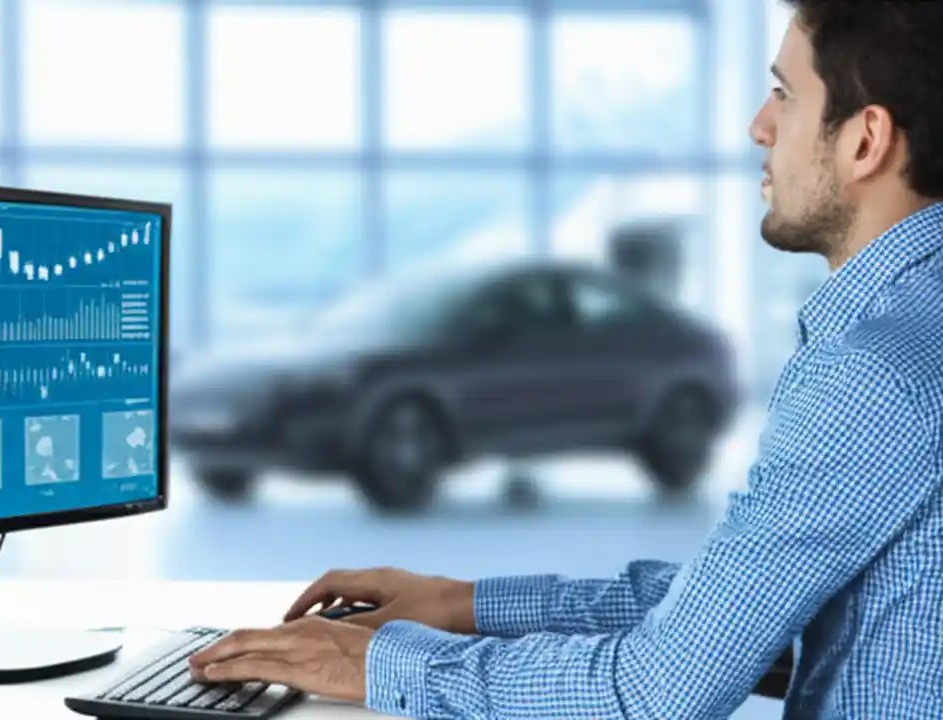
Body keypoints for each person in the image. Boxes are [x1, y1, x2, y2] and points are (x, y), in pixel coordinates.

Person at [189, 2, 943, 717]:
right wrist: (461, 604)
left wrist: (370, 663)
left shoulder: (871, 374)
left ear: (864, 139)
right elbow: (737, 604)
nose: (758, 126)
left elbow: (653, 695)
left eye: (784, 95)